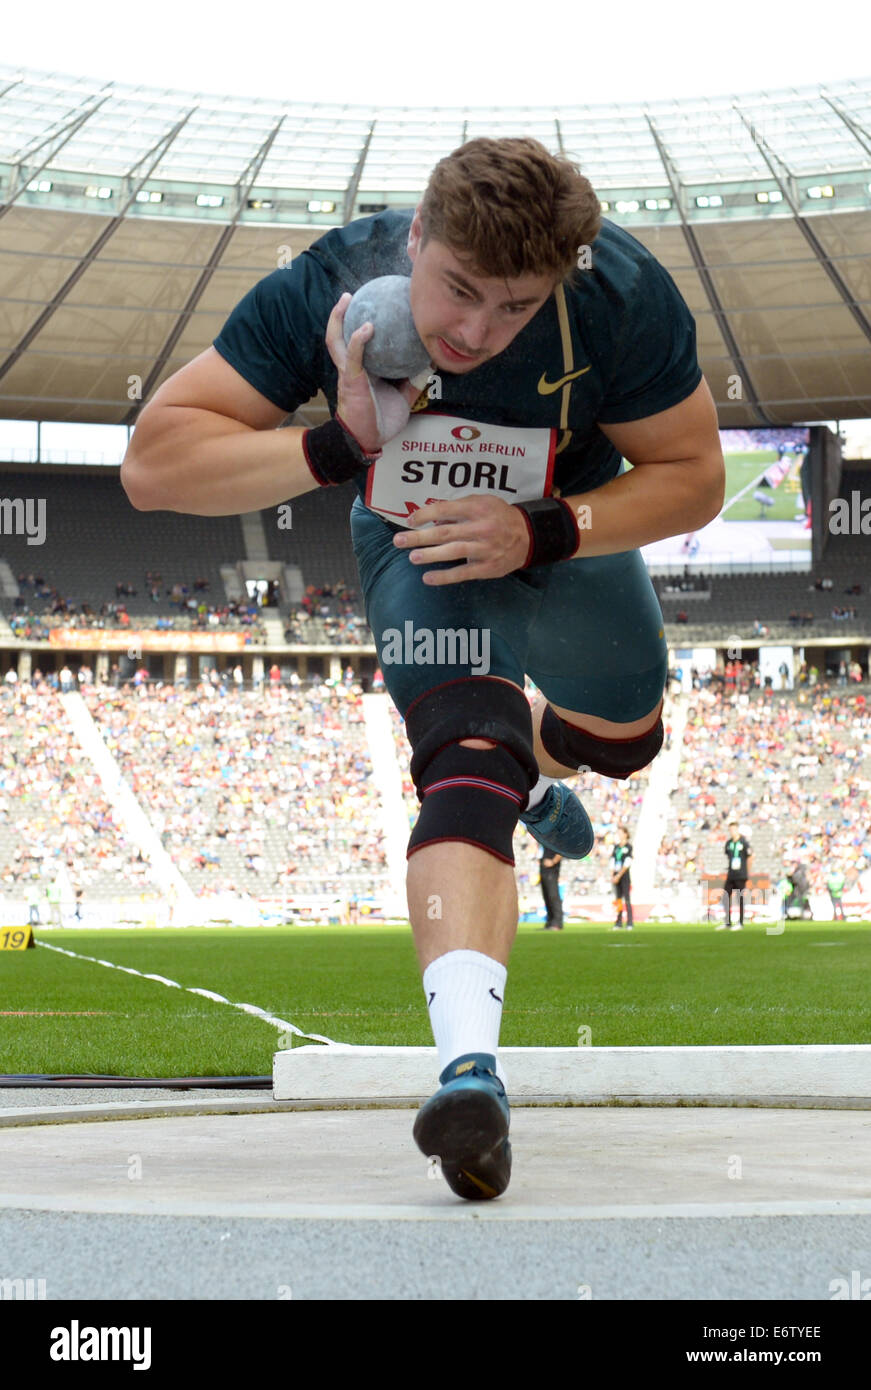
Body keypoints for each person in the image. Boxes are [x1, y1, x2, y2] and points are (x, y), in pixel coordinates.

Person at [121, 136, 724, 1201]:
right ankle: (469, 1076)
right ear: (414, 238)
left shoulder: (620, 294)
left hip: (557, 529)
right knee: (463, 753)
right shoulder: (330, 284)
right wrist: (335, 445)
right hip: (414, 542)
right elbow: (153, 465)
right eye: (456, 290)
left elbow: (693, 476)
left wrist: (541, 529)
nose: (474, 331)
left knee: (626, 737)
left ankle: (545, 771)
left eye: (514, 306)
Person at [720, 820, 752, 930]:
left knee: (740, 898)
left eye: (734, 829)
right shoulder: (729, 843)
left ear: (737, 829)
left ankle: (740, 923)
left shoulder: (744, 842)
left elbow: (751, 856)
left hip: (741, 874)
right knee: (725, 896)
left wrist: (747, 870)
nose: (732, 831)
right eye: (730, 829)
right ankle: (727, 923)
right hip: (731, 874)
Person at [610, 826, 634, 929]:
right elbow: (612, 861)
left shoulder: (628, 847)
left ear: (625, 834)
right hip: (616, 876)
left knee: (627, 899)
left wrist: (619, 875)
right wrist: (613, 875)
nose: (619, 834)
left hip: (624, 876)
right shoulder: (616, 847)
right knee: (618, 899)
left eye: (620, 832)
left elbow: (627, 862)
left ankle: (629, 922)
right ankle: (618, 922)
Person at [538, 850, 563, 931]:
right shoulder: (546, 839)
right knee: (546, 896)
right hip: (543, 867)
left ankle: (557, 923)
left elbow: (561, 851)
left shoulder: (556, 838)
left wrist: (553, 861)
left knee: (553, 895)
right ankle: (550, 923)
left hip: (552, 869)